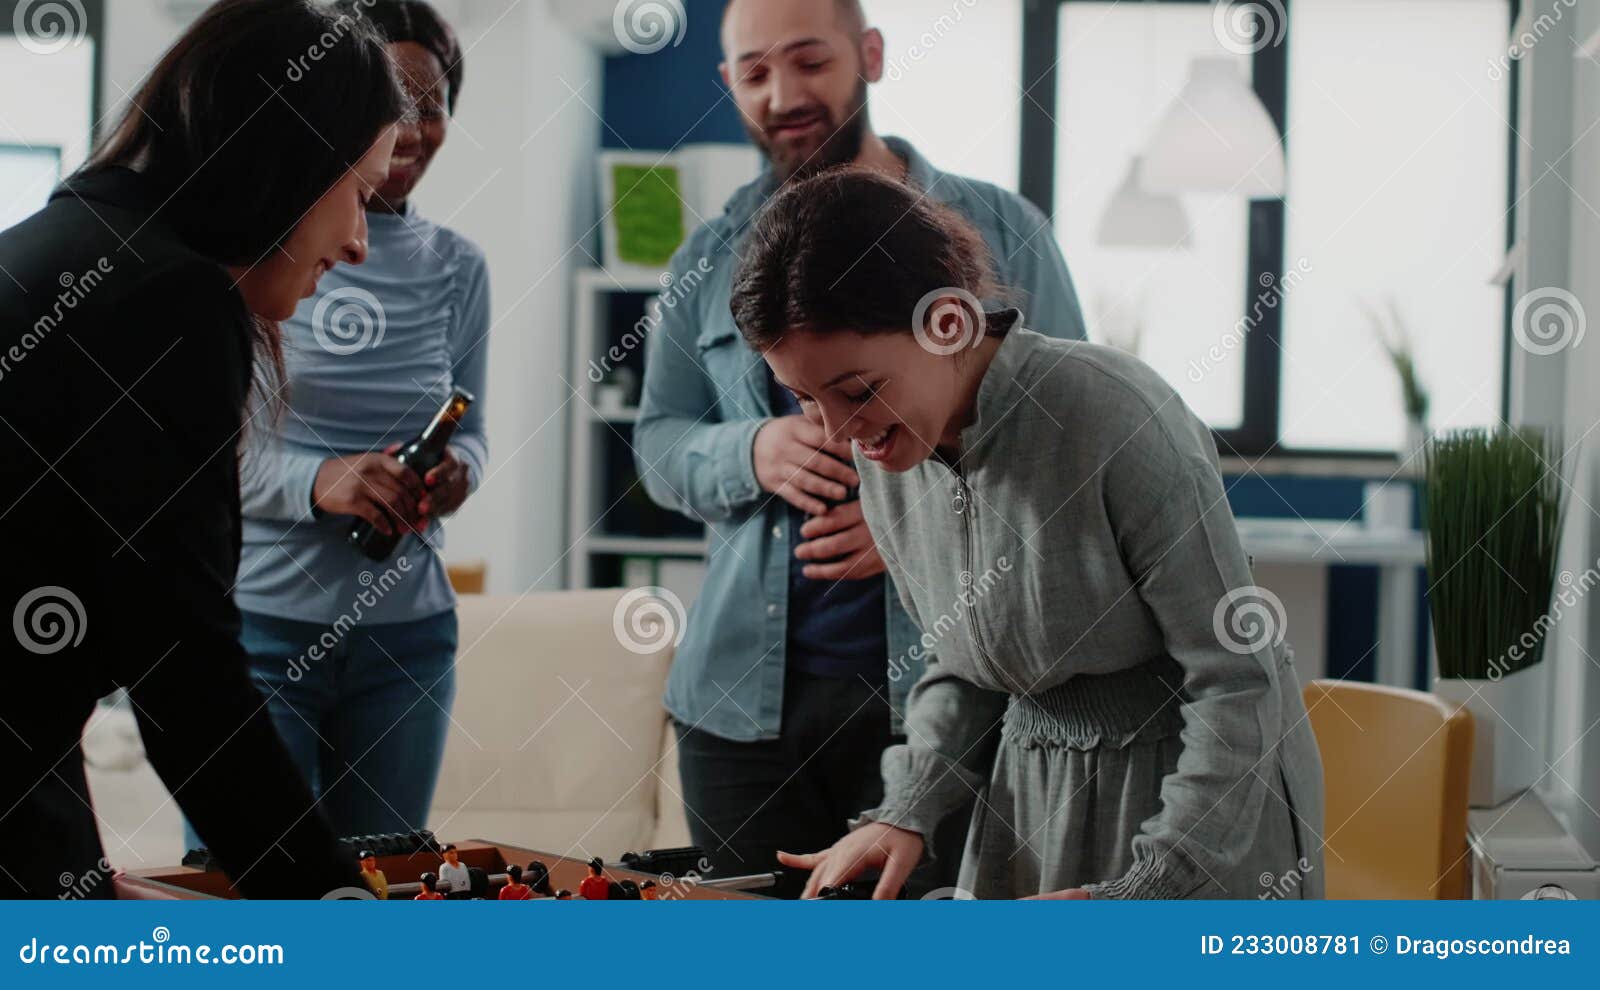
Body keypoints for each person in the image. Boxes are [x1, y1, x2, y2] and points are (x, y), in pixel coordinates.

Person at [730, 169, 1325, 899]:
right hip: (1032, 801)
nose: (839, 432)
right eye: (806, 399)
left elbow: (1240, 678)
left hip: (1200, 809)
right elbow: (965, 659)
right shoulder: (891, 449)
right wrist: (907, 809)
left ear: (947, 321)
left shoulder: (1115, 417)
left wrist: (1152, 886)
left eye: (858, 391)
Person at [633, 0, 1086, 899]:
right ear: (730, 84)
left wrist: (919, 529)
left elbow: (1063, 440)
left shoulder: (1002, 230)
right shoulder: (705, 256)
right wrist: (751, 449)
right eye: (755, 72)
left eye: (809, 60)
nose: (784, 93)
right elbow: (658, 444)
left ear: (869, 55)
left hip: (946, 704)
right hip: (739, 712)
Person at [0, 0, 406, 898]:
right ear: (287, 160)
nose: (357, 241)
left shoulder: (63, 245)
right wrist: (329, 901)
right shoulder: (167, 300)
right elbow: (185, 674)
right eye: (359, 191)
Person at [225, 0, 490, 840]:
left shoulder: (459, 267)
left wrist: (459, 475)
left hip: (407, 641)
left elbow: (475, 427)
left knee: (385, 892)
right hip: (264, 633)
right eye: (393, 103)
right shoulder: (256, 252)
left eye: (434, 104)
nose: (413, 129)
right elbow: (198, 453)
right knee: (254, 895)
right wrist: (318, 481)